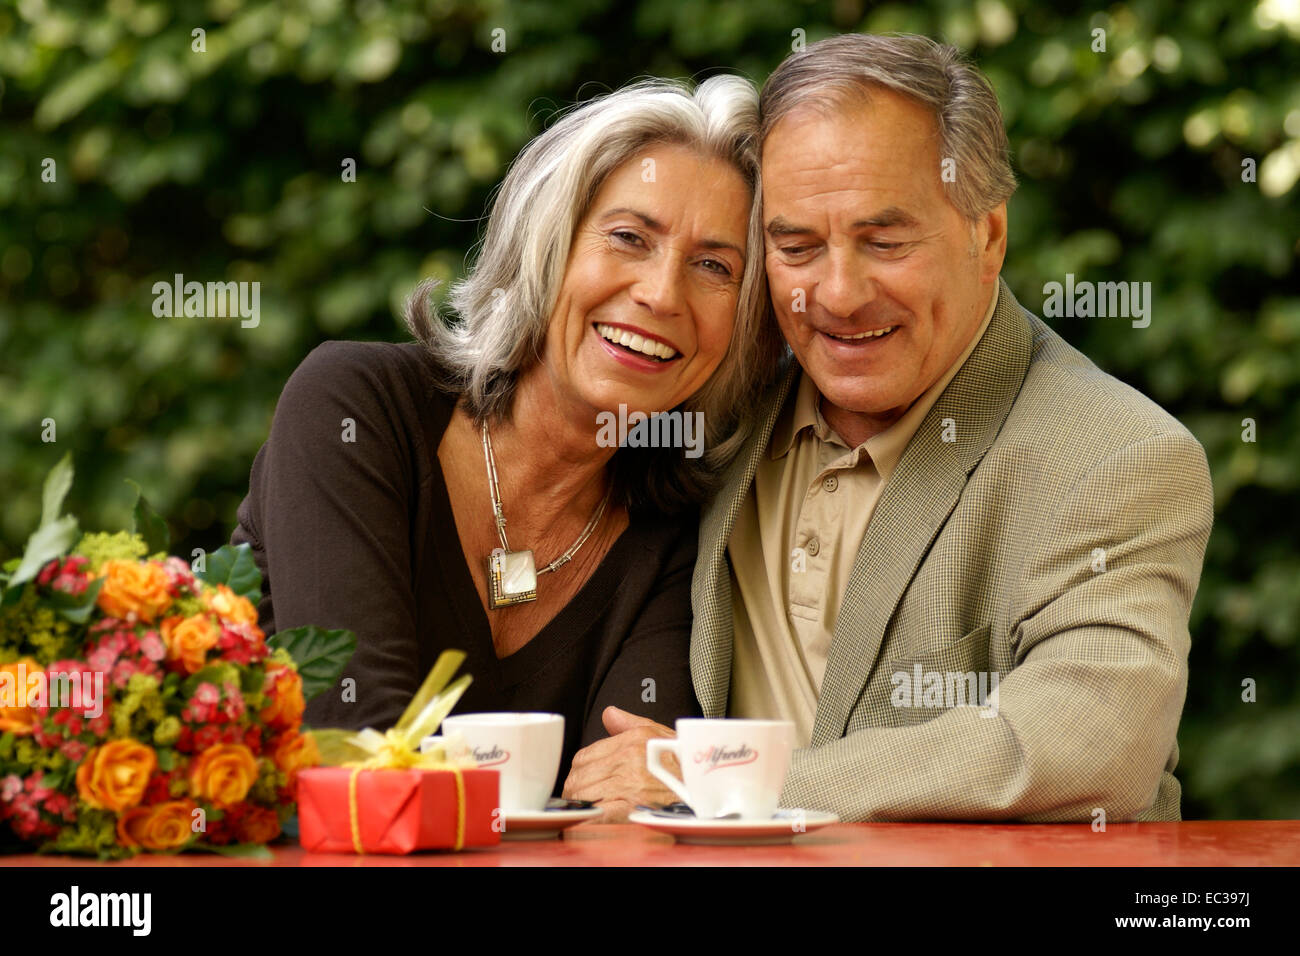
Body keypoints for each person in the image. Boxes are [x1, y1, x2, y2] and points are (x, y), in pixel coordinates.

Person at [606, 33, 1214, 823]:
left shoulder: (1119, 456)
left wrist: (727, 782)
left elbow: (1087, 745)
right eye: (795, 246)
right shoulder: (722, 402)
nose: (840, 293)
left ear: (988, 234)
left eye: (884, 241)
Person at [230, 76, 785, 820]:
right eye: (629, 237)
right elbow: (360, 752)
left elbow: (617, 814)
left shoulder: (680, 529)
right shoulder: (355, 409)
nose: (662, 294)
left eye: (715, 266)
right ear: (544, 245)